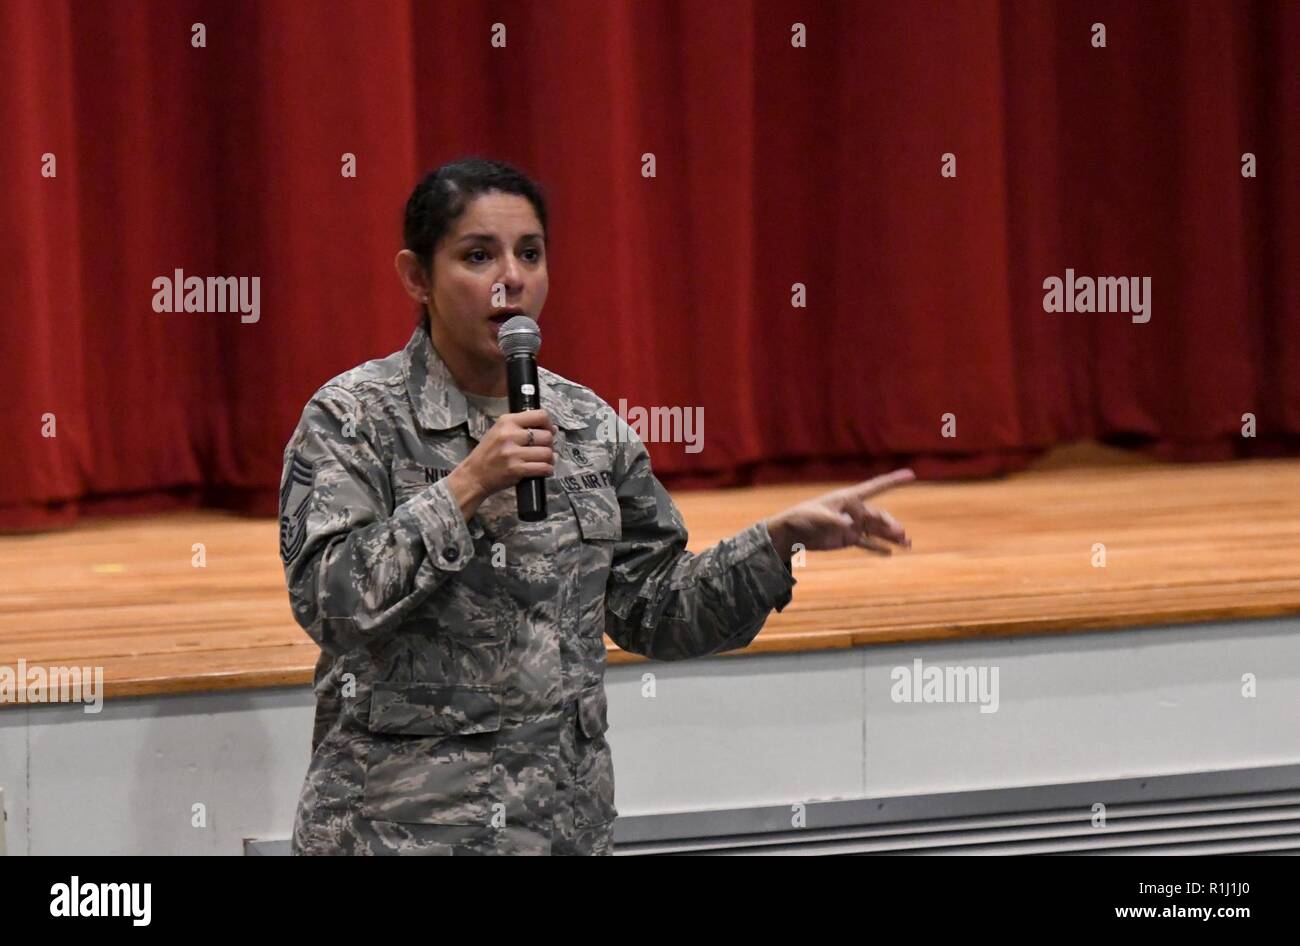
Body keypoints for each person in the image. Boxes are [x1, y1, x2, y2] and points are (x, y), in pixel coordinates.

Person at [278, 157, 914, 855]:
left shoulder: (587, 427)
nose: (510, 278)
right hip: (399, 836)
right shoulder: (354, 417)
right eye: (477, 255)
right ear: (416, 277)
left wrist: (774, 541)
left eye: (530, 253)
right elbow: (330, 602)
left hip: (557, 830)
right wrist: (465, 487)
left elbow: (659, 609)